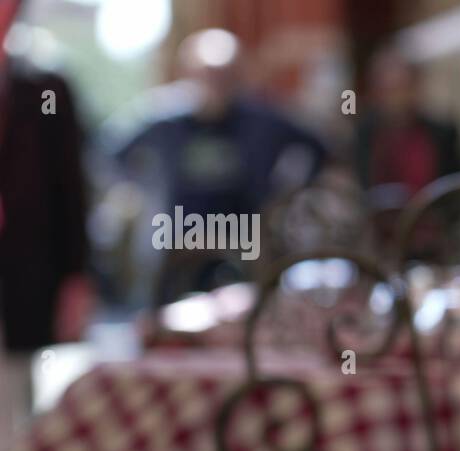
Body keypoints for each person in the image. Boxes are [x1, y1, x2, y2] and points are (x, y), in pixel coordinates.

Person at [114, 29, 328, 298]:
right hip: (177, 243)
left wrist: (285, 192)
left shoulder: (263, 120)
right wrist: (147, 191)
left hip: (246, 242)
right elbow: (114, 153)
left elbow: (318, 147)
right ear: (189, 73)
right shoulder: (164, 120)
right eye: (208, 74)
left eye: (225, 75)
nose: (216, 84)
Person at [0, 0, 93, 447]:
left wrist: (75, 277)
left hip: (22, 274)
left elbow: (69, 190)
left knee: (15, 404)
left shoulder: (45, 87)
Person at [354, 47, 460, 202]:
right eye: (388, 90)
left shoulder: (442, 133)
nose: (395, 99)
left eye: (401, 88)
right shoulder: (363, 136)